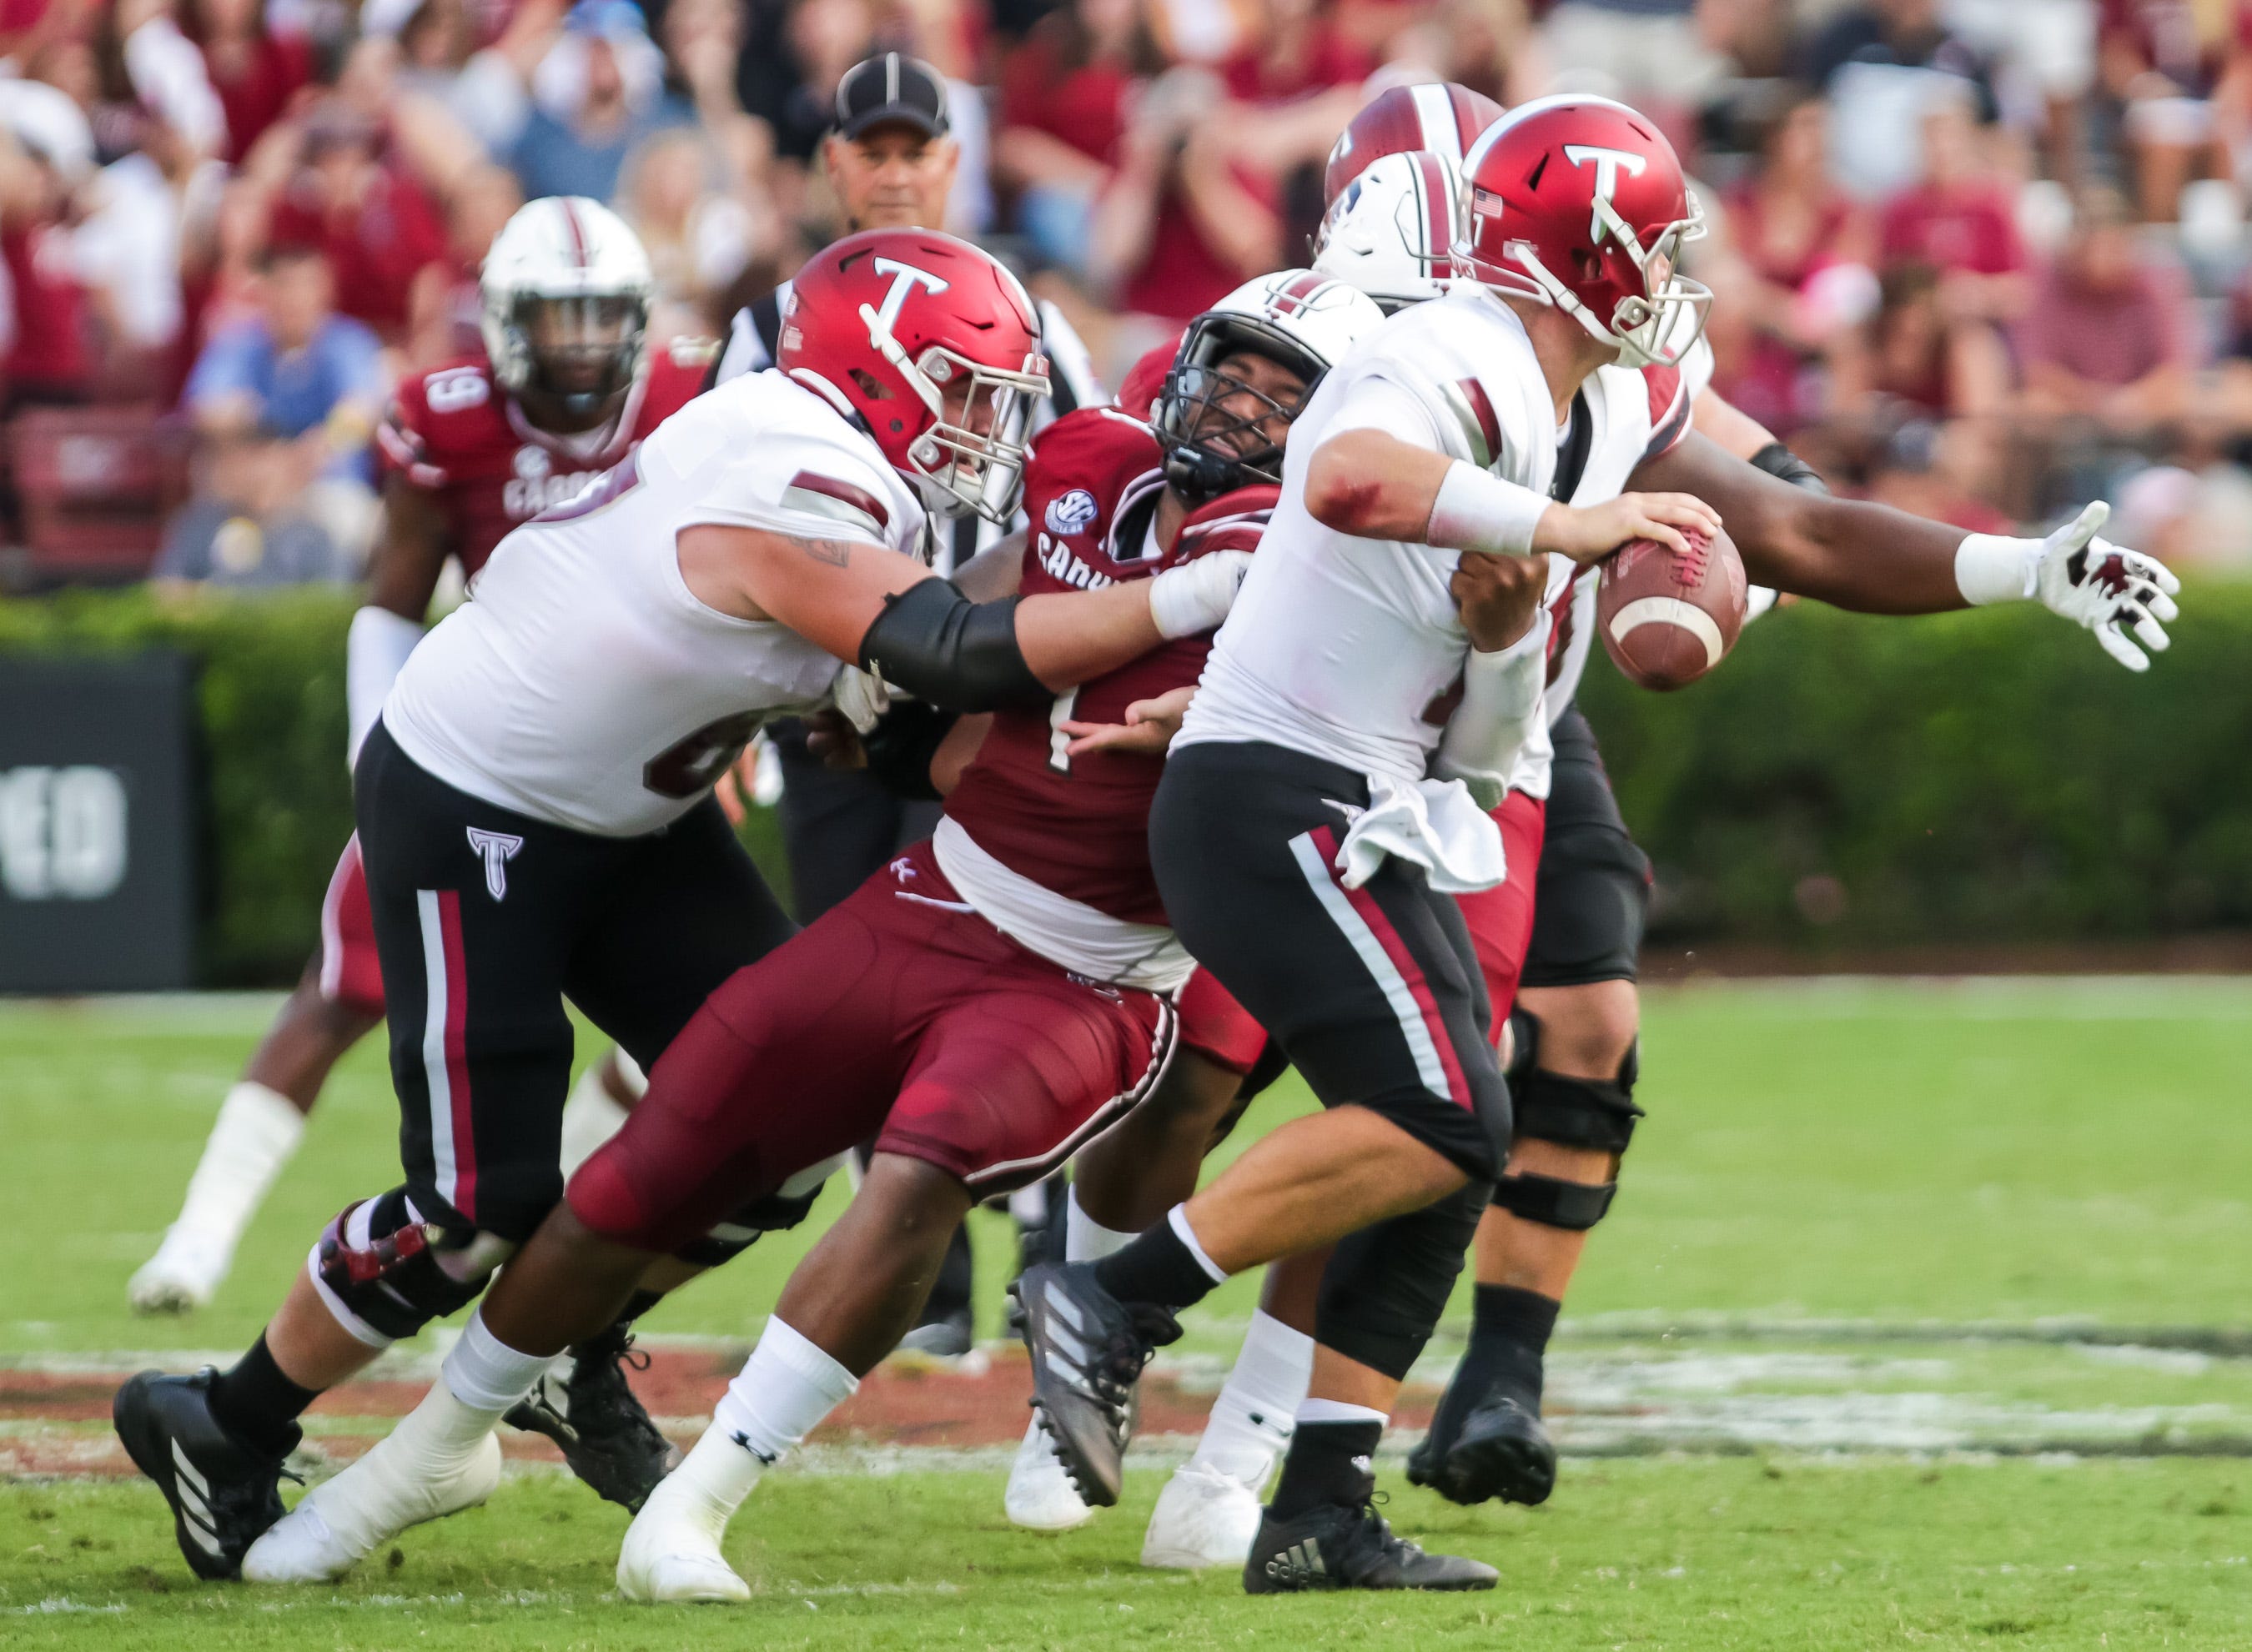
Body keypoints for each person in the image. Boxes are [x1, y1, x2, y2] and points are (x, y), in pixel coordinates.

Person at [1016, 93, 2180, 1596]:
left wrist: (2029, 566)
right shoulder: (1445, 351)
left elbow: (1799, 534)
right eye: (1658, 246)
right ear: (1583, 254)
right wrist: (1574, 531)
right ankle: (1112, 1300)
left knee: (1462, 1132)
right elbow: (1347, 478)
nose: (1681, 272)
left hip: (1389, 799)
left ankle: (1319, 1506)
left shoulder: (1616, 396)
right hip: (1272, 784)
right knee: (1435, 1113)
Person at [118, 227, 1253, 1587]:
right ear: (875, 365)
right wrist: (1188, 591)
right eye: (958, 387)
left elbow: (896, 724)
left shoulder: (860, 482)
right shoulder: (786, 456)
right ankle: (227, 1421)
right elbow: (949, 647)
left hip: (634, 820)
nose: (980, 429)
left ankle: (574, 1348)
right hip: (474, 803)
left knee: (781, 1112)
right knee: (478, 1202)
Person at [130, 199, 706, 1323]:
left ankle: (557, 1214)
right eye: (558, 316)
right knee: (341, 988)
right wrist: (380, 758)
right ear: (502, 324)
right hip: (479, 754)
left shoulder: (692, 407)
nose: (583, 343)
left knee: (702, 1026)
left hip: (639, 755)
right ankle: (197, 1237)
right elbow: (390, 606)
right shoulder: (444, 419)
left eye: (602, 316)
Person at [713, 48, 1103, 1357]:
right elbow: (724, 513)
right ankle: (924, 1264)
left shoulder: (1034, 319)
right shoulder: (768, 324)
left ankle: (1040, 1224)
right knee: (855, 967)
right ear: (830, 163)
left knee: (1014, 947)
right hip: (829, 698)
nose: (889, 169)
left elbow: (1102, 497)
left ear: (952, 162)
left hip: (986, 693)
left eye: (912, 148)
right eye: (866, 147)